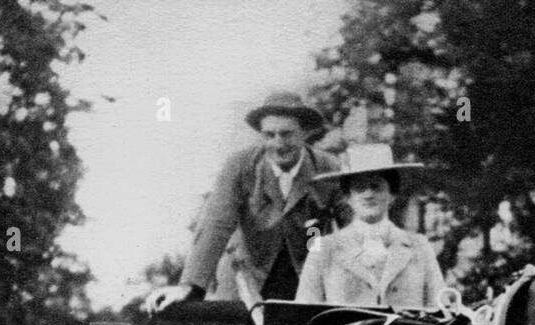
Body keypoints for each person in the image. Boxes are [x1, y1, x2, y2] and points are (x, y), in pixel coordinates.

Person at [144, 91, 339, 311]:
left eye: (286, 134)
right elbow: (217, 223)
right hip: (245, 276)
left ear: (304, 133)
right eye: (269, 135)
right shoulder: (240, 165)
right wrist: (190, 285)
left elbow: (350, 225)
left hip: (305, 277)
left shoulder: (328, 167)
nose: (278, 143)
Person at [296, 143, 446, 309]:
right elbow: (305, 313)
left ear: (392, 195)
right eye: (360, 188)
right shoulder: (323, 249)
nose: (368, 194)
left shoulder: (419, 246)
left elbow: (441, 309)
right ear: (347, 197)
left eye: (377, 187)